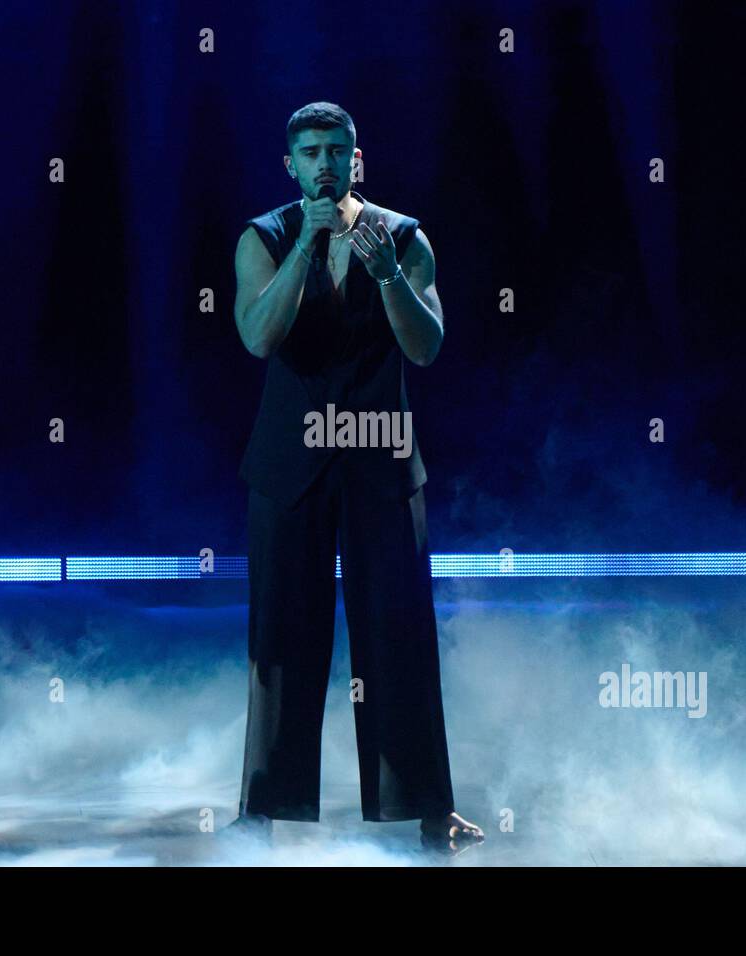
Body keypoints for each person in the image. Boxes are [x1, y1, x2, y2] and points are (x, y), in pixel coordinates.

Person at [228, 102, 483, 849]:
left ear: (356, 159)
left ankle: (435, 811)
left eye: (336, 150)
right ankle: (259, 814)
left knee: (399, 635)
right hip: (290, 463)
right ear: (291, 164)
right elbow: (257, 336)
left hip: (380, 457)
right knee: (279, 641)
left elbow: (427, 347)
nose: (324, 163)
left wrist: (387, 279)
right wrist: (307, 246)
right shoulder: (264, 238)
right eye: (310, 152)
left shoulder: (401, 236)